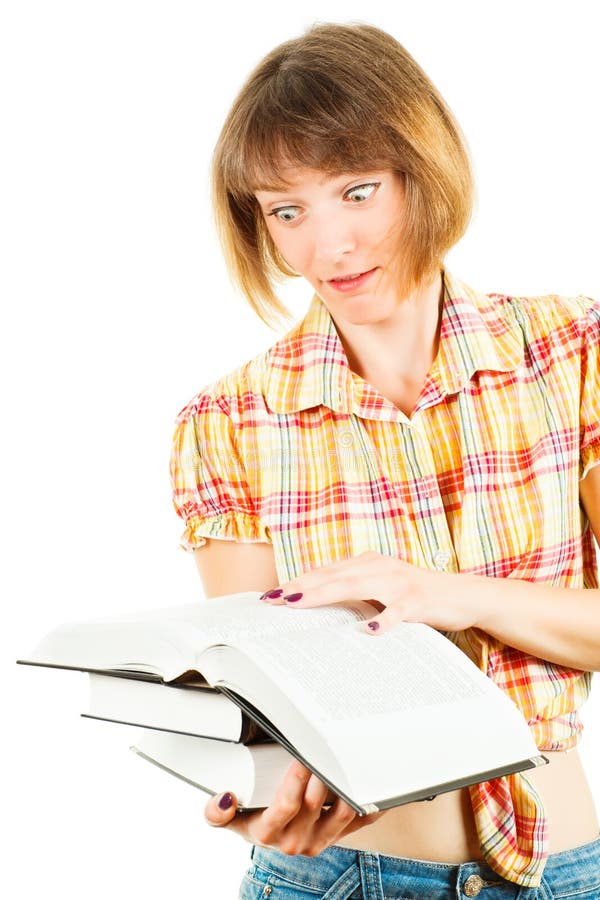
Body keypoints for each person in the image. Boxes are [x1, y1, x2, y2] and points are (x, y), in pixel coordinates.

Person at [169, 21, 600, 899]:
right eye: (286, 211)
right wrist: (263, 792)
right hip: (337, 877)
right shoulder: (229, 422)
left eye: (357, 192)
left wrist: (436, 593)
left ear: (423, 174)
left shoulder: (572, 352)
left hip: (568, 872)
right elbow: (261, 695)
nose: (327, 249)